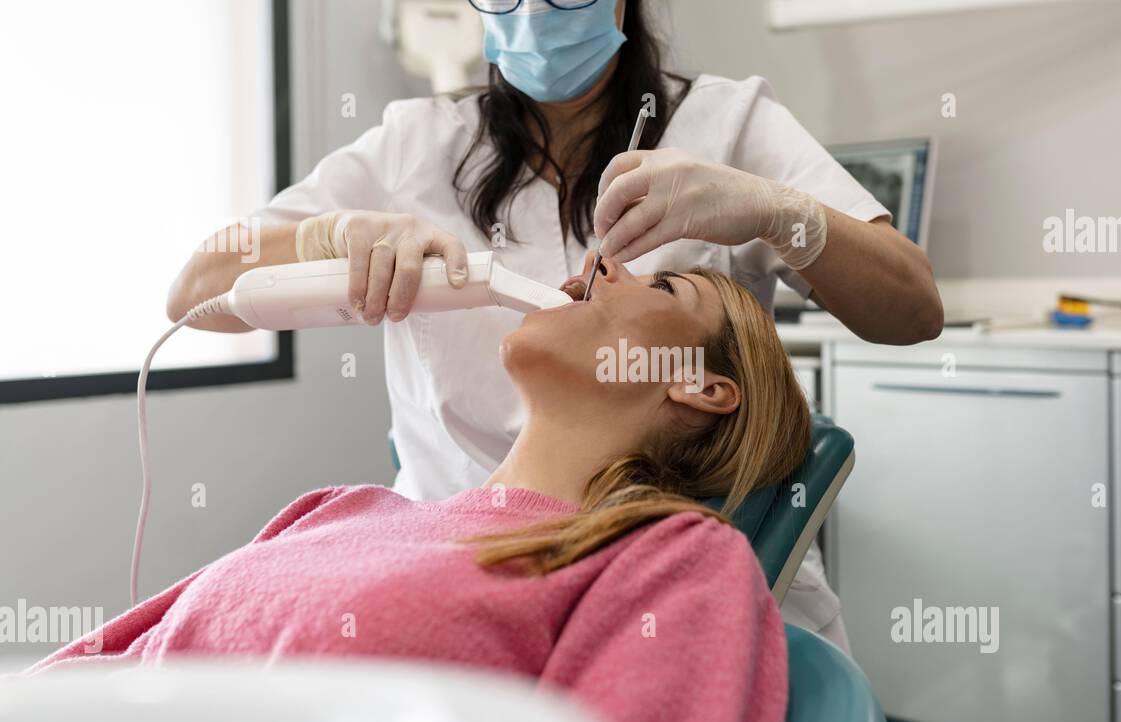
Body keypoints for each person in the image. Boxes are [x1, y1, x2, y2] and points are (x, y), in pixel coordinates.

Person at [166, 0, 942, 654]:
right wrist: (326, 237)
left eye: (664, 280)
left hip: (619, 578)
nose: (534, 13)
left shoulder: (729, 125)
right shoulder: (413, 146)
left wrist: (778, 211)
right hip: (449, 559)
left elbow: (913, 307)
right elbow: (195, 291)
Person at [32, 261, 810, 722]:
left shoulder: (674, 558)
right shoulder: (341, 509)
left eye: (663, 283)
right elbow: (80, 683)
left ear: (701, 385)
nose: (597, 268)